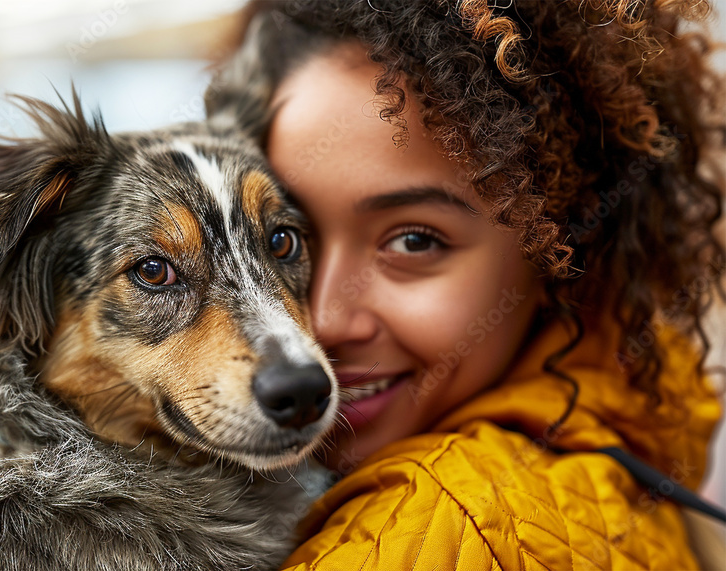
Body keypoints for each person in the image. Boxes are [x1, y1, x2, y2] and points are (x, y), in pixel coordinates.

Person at [207, 0, 725, 568]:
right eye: (282, 241)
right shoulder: (612, 434)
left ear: (556, 245)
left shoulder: (435, 532)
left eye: (413, 241)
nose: (324, 320)